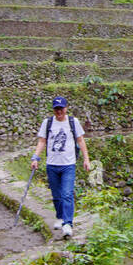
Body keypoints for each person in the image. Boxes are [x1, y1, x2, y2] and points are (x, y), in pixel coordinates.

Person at [29, 96, 91, 238]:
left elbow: (81, 141)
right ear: (53, 110)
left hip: (68, 165)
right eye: (56, 109)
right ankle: (60, 217)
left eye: (61, 108)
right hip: (52, 165)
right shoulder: (48, 123)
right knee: (56, 195)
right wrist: (35, 158)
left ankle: (68, 223)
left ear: (66, 108)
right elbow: (42, 141)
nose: (59, 112)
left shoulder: (73, 122)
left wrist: (86, 159)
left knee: (67, 194)